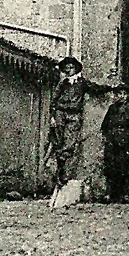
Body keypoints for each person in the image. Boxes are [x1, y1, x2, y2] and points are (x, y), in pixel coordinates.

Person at [45, 57, 89, 190]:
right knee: (58, 141)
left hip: (74, 114)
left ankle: (64, 170)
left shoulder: (82, 83)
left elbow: (95, 88)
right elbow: (54, 100)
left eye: (71, 67)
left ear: (76, 69)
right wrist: (53, 116)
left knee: (70, 142)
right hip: (60, 113)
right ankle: (59, 171)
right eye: (67, 68)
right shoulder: (63, 84)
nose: (69, 70)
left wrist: (110, 88)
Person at [100, 83, 129, 202]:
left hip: (127, 143)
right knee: (111, 166)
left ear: (127, 96)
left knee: (127, 167)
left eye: (124, 94)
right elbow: (105, 126)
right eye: (119, 94)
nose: (122, 96)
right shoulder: (112, 109)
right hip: (113, 142)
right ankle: (111, 193)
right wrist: (110, 136)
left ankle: (126, 193)